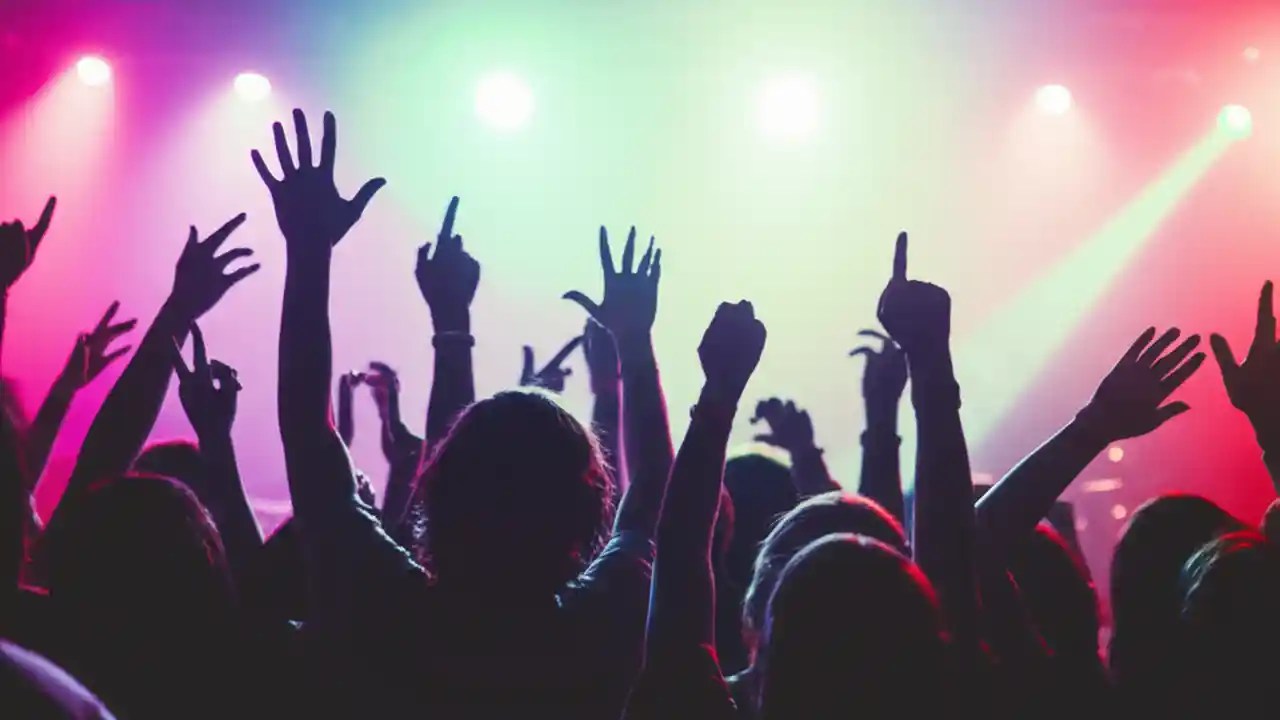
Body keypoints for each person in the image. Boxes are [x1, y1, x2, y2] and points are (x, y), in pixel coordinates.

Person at [255, 109, 669, 718]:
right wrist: (633, 345)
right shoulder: (600, 623)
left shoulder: (387, 606)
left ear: (437, 487)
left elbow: (306, 435)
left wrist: (310, 249)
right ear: (586, 507)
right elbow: (655, 487)